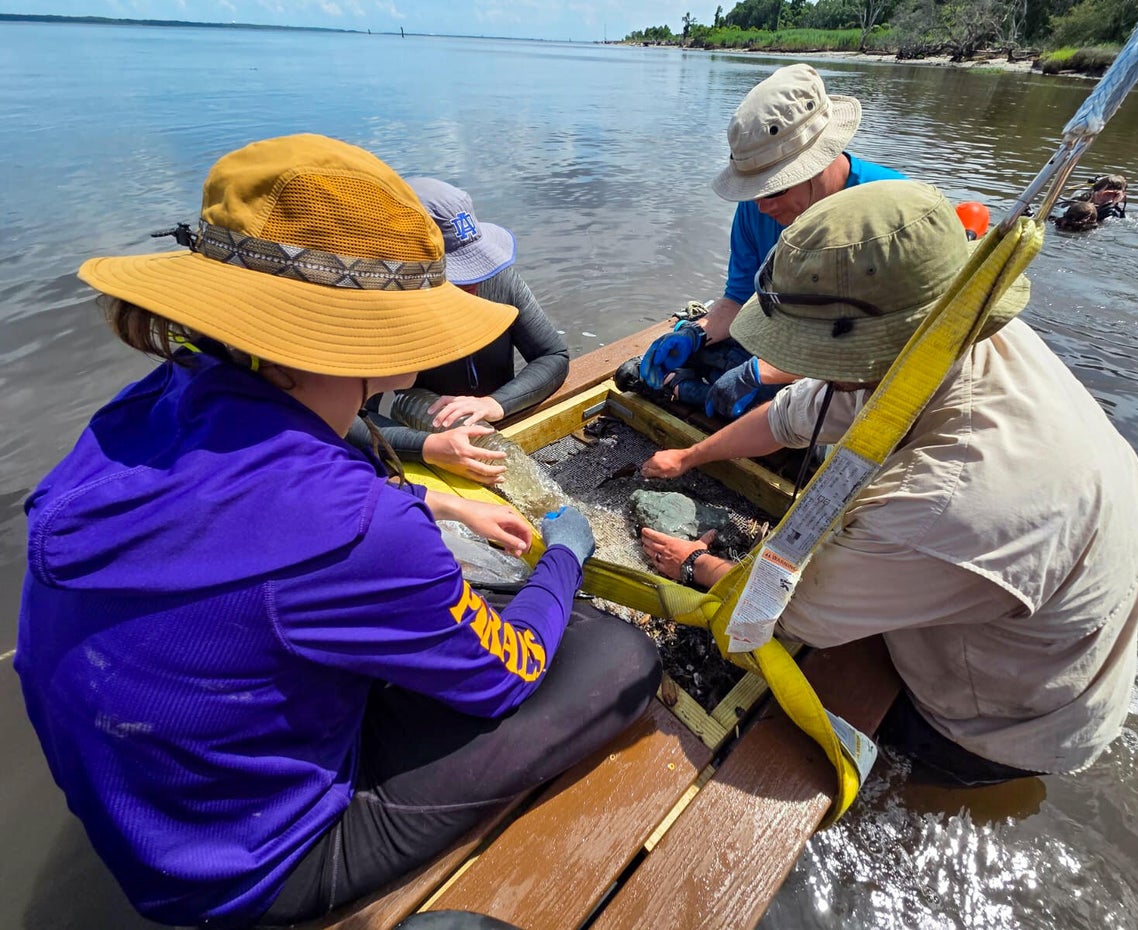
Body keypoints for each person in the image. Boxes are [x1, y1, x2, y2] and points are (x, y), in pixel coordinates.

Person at [15, 134, 661, 929]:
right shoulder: (357, 527)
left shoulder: (140, 411)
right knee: (617, 657)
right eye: (398, 342)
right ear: (348, 341)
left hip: (149, 817)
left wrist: (442, 504)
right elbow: (509, 671)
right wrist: (564, 550)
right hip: (251, 872)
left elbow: (246, 525)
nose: (404, 367)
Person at [638, 180, 1138, 786]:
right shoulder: (952, 335)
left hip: (1003, 724)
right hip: (1037, 616)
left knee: (876, 768)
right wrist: (693, 456)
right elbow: (793, 415)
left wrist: (696, 562)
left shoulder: (948, 501)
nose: (799, 365)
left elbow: (783, 615)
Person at [625, 62, 905, 421]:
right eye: (754, 189)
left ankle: (703, 391)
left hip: (853, 366)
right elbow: (738, 298)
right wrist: (697, 335)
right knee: (702, 355)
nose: (760, 205)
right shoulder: (757, 208)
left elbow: (884, 352)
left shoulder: (891, 210)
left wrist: (763, 374)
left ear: (817, 161)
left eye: (773, 187)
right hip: (784, 339)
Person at [347, 176, 569, 485]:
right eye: (458, 274)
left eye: (476, 266)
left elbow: (553, 355)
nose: (474, 284)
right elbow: (345, 416)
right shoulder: (373, 310)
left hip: (491, 429)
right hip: (411, 438)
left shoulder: (498, 280)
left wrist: (495, 402)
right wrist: (426, 446)